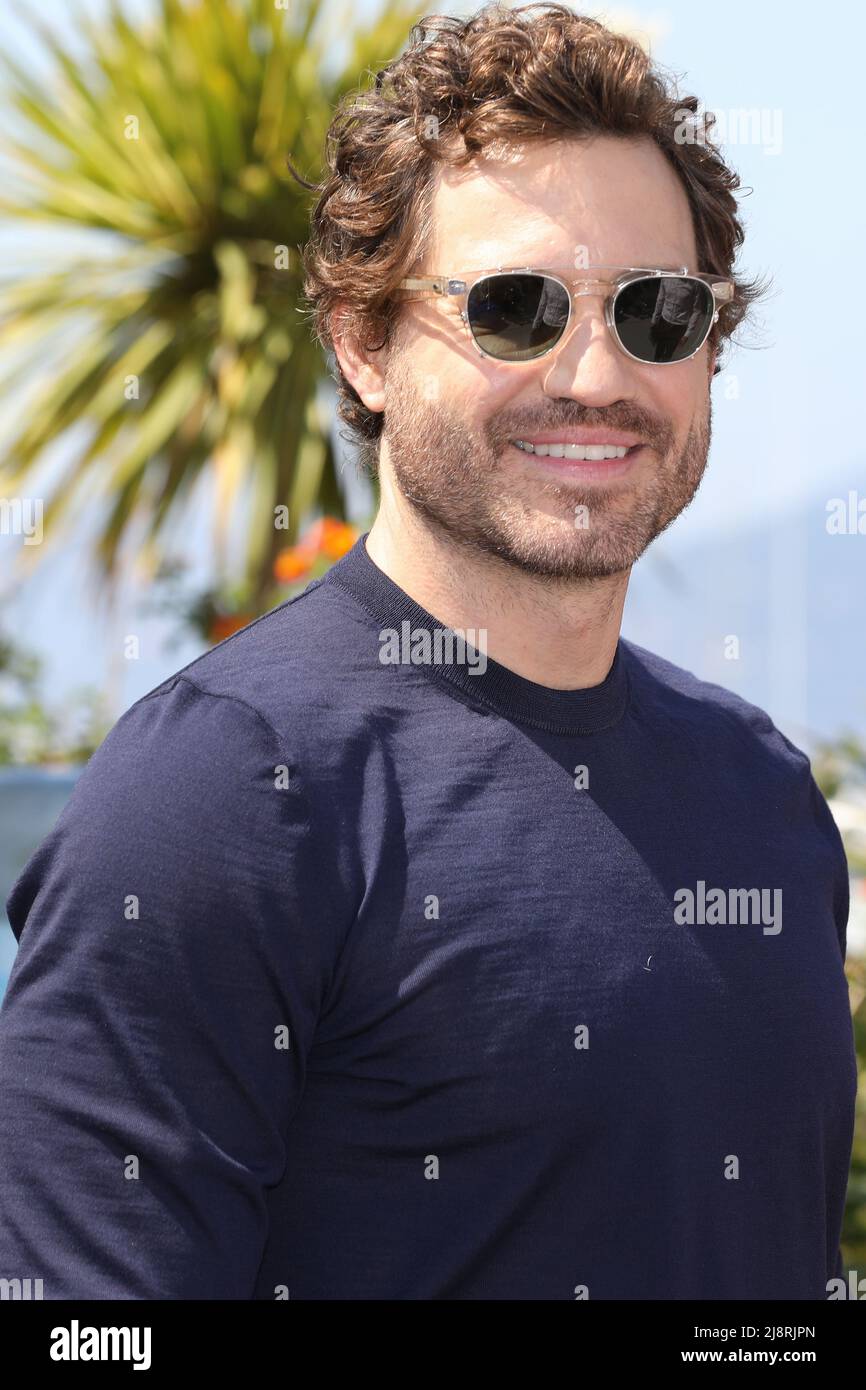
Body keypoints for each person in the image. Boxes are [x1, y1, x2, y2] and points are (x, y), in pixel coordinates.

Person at [0, 3, 856, 1300]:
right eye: (515, 308)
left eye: (657, 312)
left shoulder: (762, 795)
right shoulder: (218, 798)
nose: (595, 371)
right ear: (362, 339)